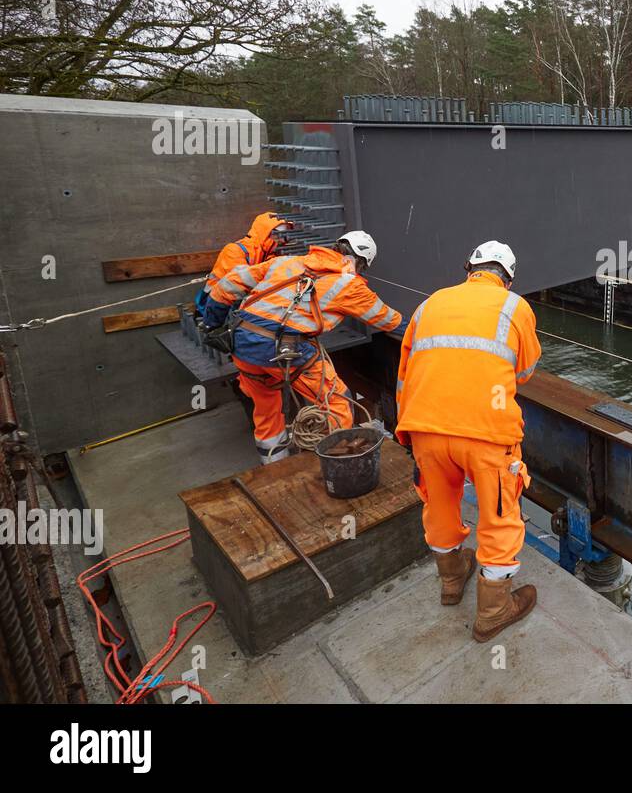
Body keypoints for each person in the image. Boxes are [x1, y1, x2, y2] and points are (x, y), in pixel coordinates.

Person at [395, 241, 542, 642]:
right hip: (485, 434)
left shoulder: (429, 305)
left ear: (469, 269)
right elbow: (525, 369)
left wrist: (410, 428)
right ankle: (494, 612)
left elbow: (405, 375)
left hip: (425, 428)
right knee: (498, 519)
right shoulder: (515, 307)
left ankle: (451, 582)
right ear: (508, 277)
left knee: (439, 508)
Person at [204, 231, 404, 464]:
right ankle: (339, 465)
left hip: (242, 344)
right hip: (285, 352)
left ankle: (275, 465)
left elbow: (227, 284)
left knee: (266, 407)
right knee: (337, 401)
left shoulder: (286, 262)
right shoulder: (349, 286)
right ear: (359, 262)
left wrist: (212, 324)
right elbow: (391, 322)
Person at [195, 212, 293, 322]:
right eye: (279, 236)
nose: (282, 241)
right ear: (264, 233)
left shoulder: (271, 255)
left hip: (242, 300)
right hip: (216, 304)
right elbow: (237, 285)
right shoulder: (233, 250)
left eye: (286, 237)